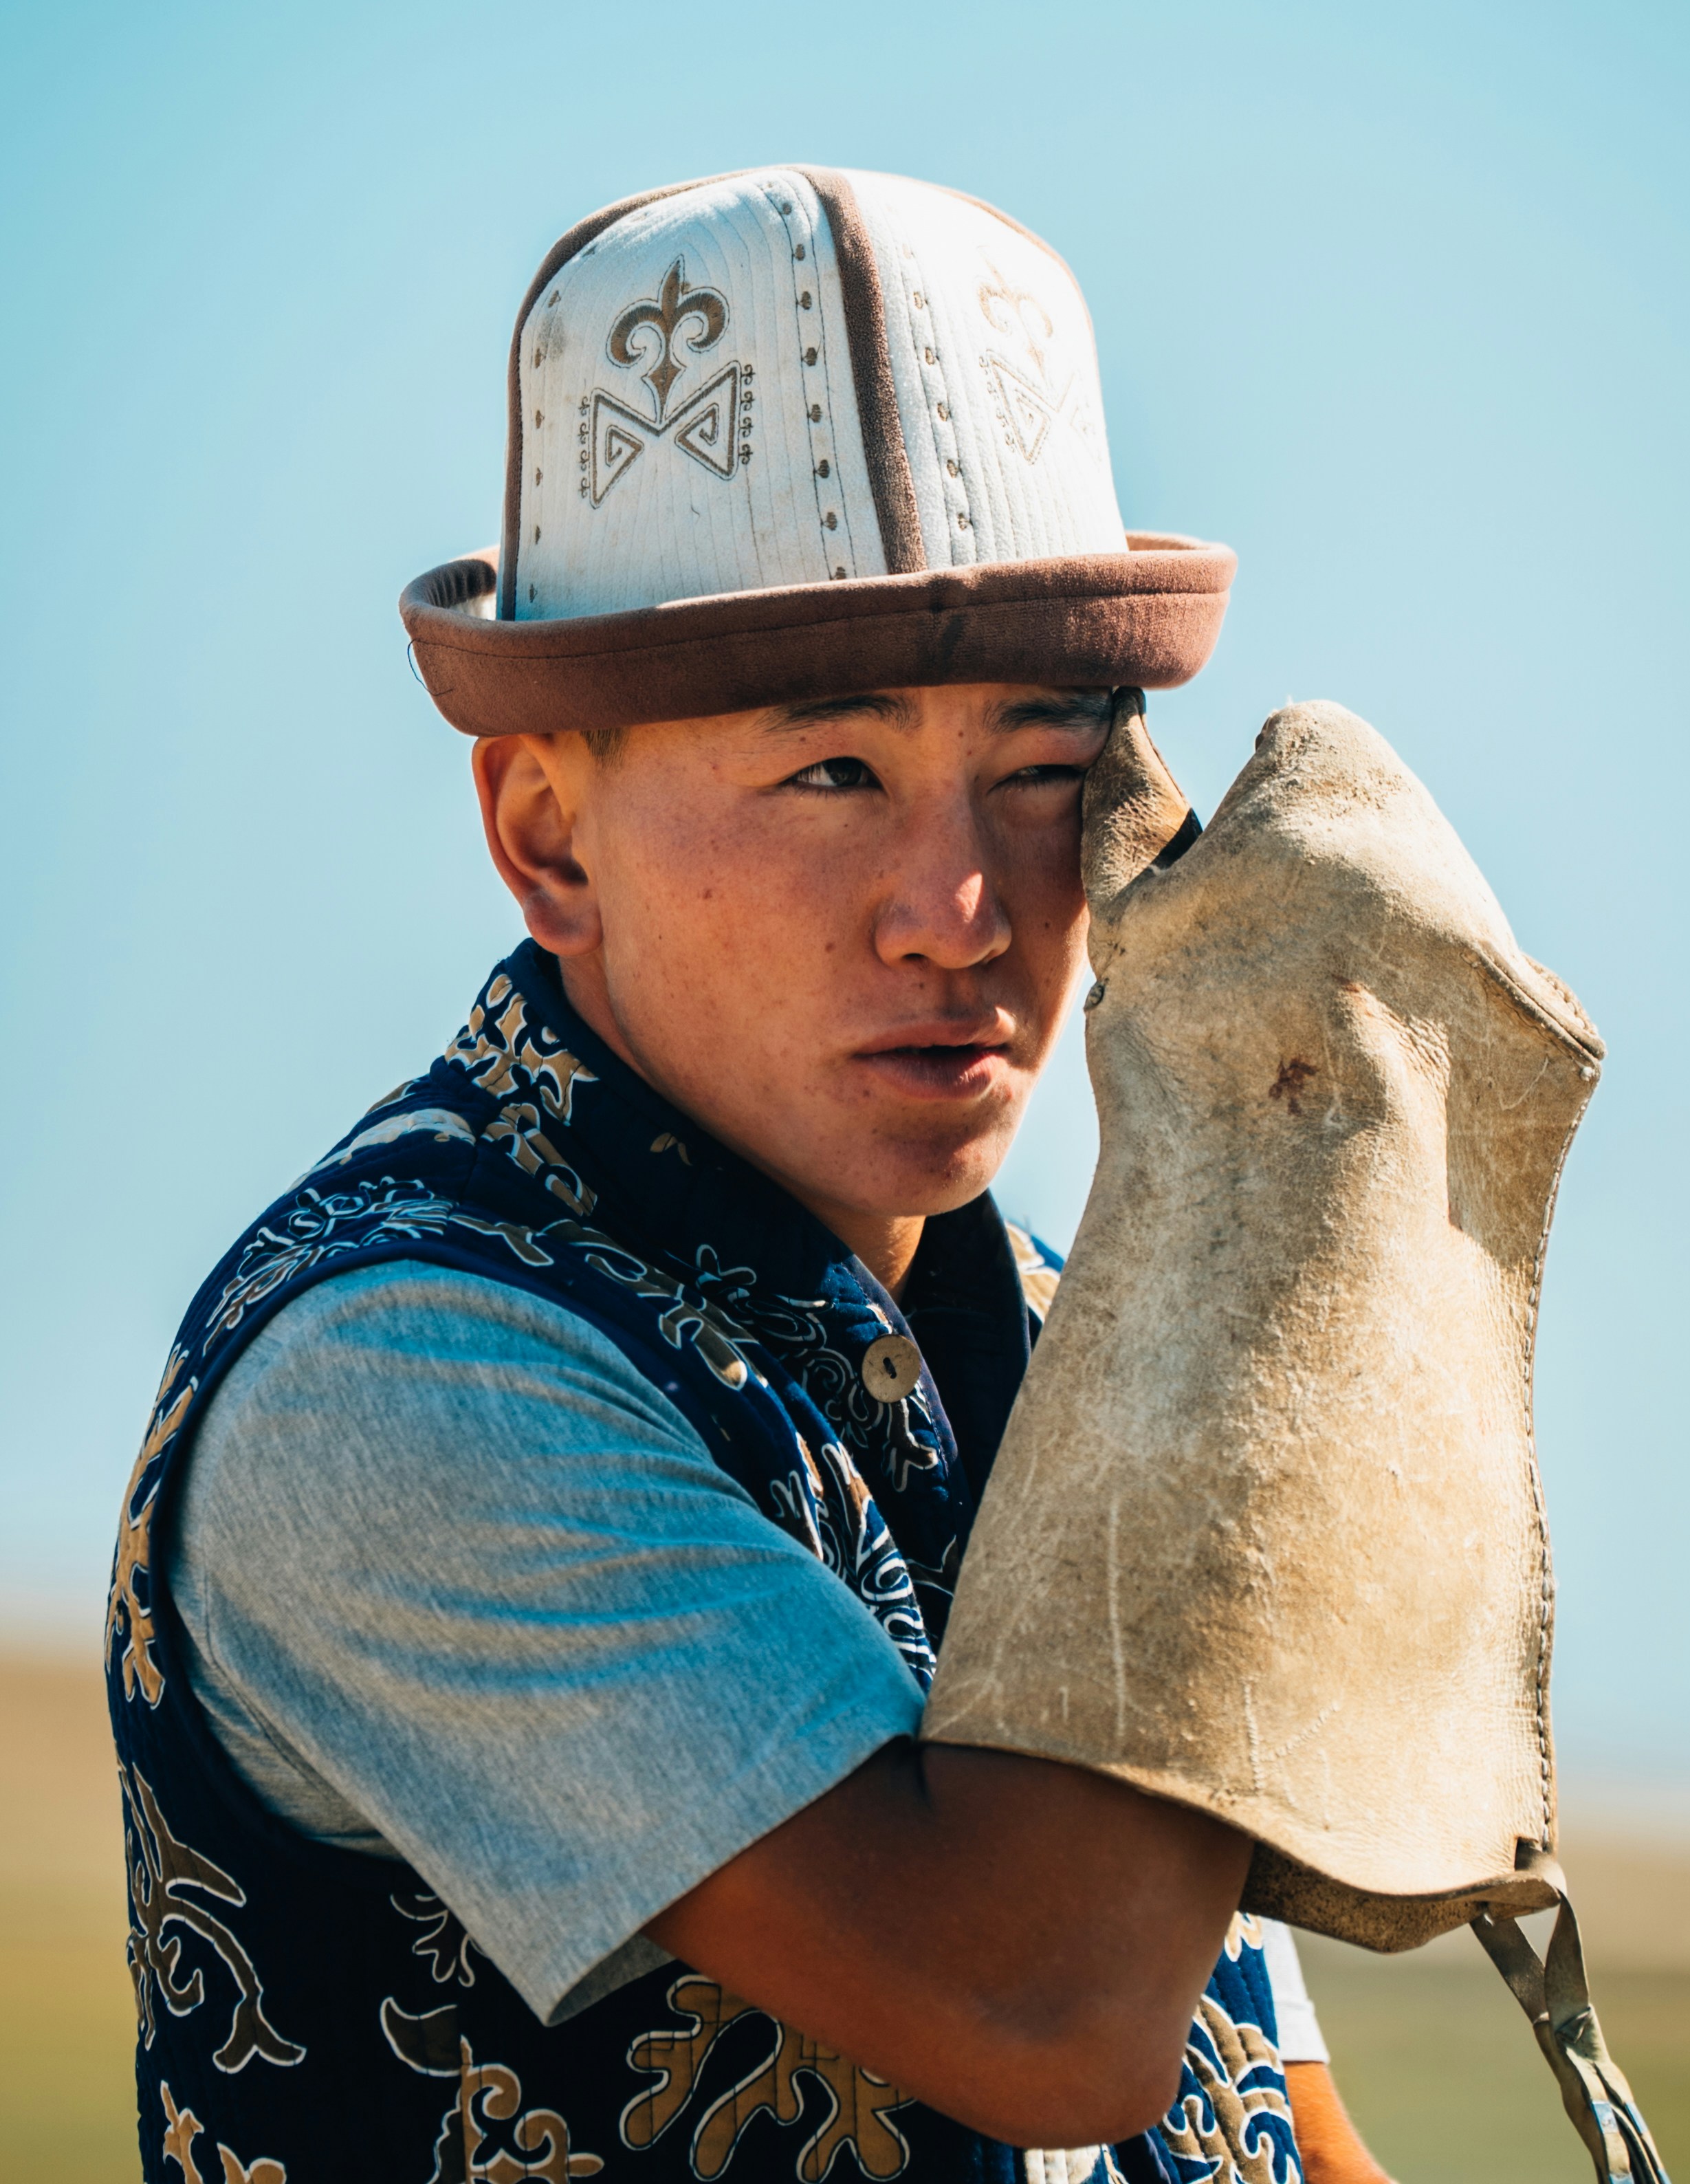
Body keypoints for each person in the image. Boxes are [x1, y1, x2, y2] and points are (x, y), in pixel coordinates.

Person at [107, 167, 1391, 2184]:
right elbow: (1042, 2011)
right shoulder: (405, 1370)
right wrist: (1255, 1267)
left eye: (1045, 774)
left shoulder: (1073, 1326)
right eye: (830, 775)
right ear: (547, 835)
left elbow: (1262, 2123)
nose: (960, 911)